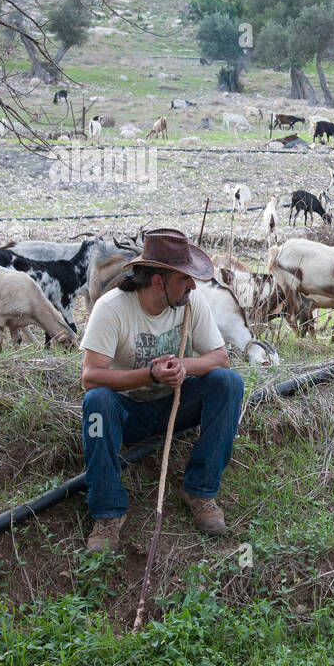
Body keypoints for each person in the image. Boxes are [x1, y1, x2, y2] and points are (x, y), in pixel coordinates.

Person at [79, 228, 244, 551]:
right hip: (124, 412)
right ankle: (108, 513)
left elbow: (220, 358)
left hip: (175, 404)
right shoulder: (111, 308)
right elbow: (91, 376)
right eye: (185, 279)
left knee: (229, 383)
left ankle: (200, 490)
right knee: (97, 403)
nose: (193, 286)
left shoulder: (190, 303)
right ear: (158, 282)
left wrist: (183, 367)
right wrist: (150, 375)